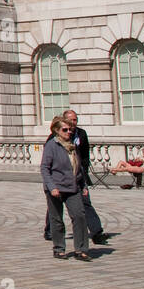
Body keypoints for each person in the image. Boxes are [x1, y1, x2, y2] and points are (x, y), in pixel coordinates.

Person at [41, 109, 108, 245]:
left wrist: (82, 173)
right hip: (59, 180)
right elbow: (46, 164)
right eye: (70, 120)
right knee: (55, 208)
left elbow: (84, 155)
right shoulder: (53, 139)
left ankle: (96, 232)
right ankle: (50, 231)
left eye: (75, 120)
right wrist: (52, 185)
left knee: (84, 204)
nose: (73, 124)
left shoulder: (81, 134)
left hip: (77, 176)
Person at [42, 115, 91, 260]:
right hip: (56, 187)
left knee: (79, 216)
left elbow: (78, 167)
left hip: (73, 186)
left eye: (70, 129)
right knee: (56, 218)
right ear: (56, 131)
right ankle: (59, 248)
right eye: (65, 129)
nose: (68, 132)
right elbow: (45, 168)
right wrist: (52, 187)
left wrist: (83, 185)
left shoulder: (72, 145)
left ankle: (81, 249)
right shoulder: (52, 145)